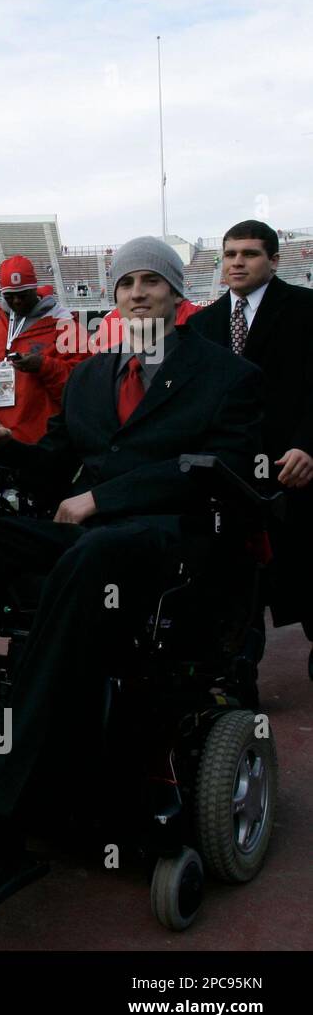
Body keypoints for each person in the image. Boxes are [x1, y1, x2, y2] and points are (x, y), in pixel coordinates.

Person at [0, 237, 263, 896]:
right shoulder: (95, 377)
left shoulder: (227, 377)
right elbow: (57, 460)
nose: (137, 292)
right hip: (84, 540)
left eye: (153, 280)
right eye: (127, 283)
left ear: (177, 293)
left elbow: (214, 473)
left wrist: (104, 497)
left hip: (165, 549)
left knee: (90, 552)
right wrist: (6, 444)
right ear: (115, 297)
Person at [187, 219, 313, 678]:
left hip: (294, 466)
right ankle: (241, 674)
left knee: (303, 566)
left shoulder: (305, 308)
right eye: (230, 254)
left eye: (250, 253)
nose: (237, 262)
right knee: (238, 577)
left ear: (274, 261)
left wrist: (308, 446)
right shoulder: (202, 324)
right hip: (231, 471)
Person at [0, 256, 85, 444]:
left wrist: (43, 366)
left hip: (36, 444)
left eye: (23, 295)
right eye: (9, 296)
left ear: (34, 288)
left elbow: (82, 389)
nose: (16, 301)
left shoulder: (66, 325)